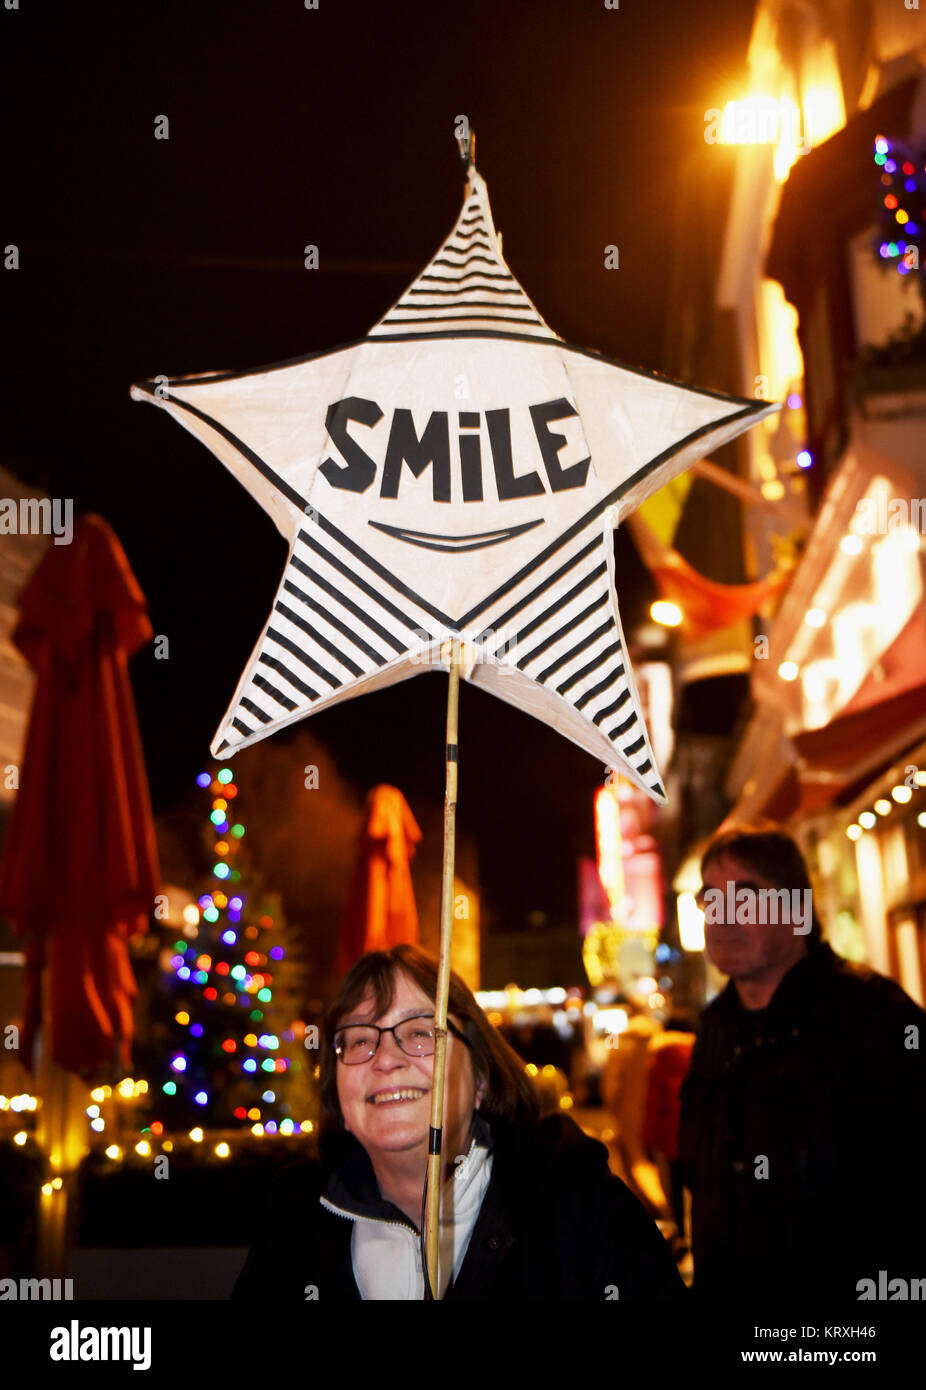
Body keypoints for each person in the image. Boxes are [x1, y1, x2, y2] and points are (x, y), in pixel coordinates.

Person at [232, 945, 685, 1301]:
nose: (386, 1058)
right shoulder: (293, 1222)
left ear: (482, 1079)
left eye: (421, 1033)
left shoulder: (580, 1208)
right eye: (359, 1039)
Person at [678, 821, 926, 1303]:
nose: (722, 916)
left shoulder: (876, 1018)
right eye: (710, 898)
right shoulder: (714, 1029)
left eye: (746, 897)